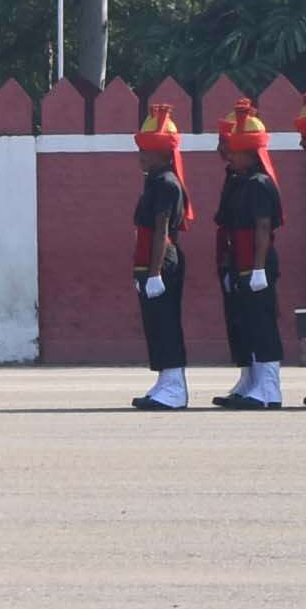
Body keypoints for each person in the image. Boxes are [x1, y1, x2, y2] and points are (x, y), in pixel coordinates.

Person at [213, 105, 283, 410]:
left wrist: (257, 268)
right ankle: (250, 380)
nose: (226, 152)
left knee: (262, 323)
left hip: (257, 263)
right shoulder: (237, 179)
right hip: (239, 260)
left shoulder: (258, 184)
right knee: (243, 322)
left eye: (232, 147)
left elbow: (263, 227)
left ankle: (269, 388)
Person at [129, 106, 195, 411]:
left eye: (147, 151)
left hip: (162, 262)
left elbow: (161, 229)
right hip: (148, 263)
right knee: (154, 324)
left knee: (166, 323)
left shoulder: (167, 183)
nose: (141, 156)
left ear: (162, 154)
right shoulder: (153, 181)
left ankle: (175, 387)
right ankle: (164, 381)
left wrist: (154, 272)